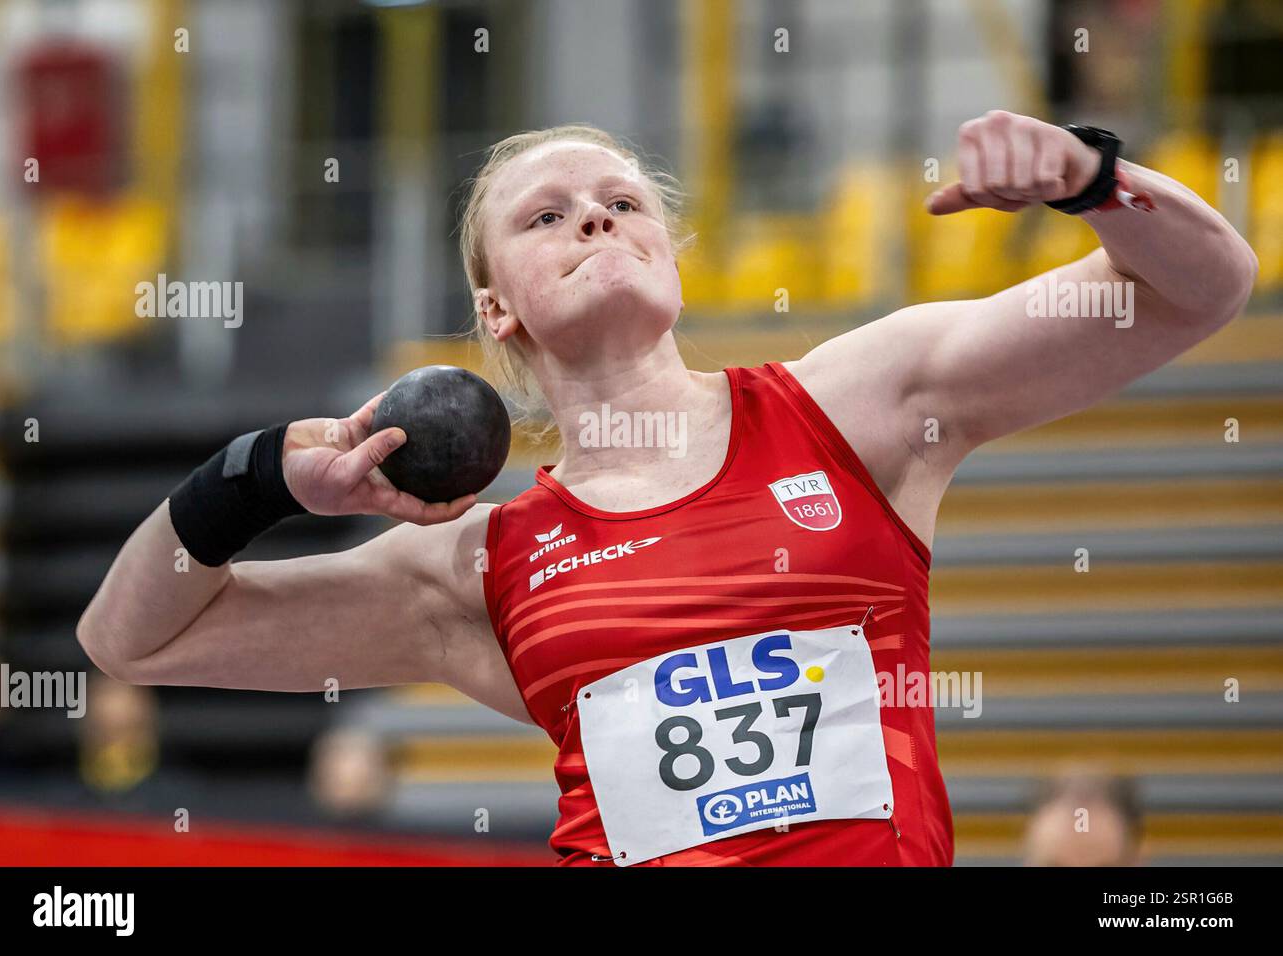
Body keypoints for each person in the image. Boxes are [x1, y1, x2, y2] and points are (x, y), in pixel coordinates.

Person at [78, 114, 1258, 866]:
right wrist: (257, 477)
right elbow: (131, 637)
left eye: (622, 200)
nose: (593, 212)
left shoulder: (853, 405)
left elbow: (1197, 289)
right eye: (547, 217)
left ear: (672, 260)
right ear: (499, 311)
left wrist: (1089, 174)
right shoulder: (480, 563)